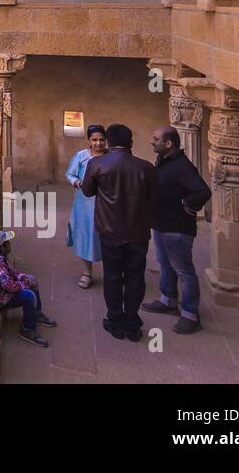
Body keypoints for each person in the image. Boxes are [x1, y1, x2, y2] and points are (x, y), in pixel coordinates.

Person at [80, 123, 155, 342]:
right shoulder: (146, 167)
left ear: (109, 143)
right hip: (138, 231)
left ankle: (115, 320)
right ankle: (132, 322)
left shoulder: (97, 164)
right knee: (135, 276)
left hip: (110, 229)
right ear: (131, 142)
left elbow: (87, 190)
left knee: (113, 276)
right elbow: (153, 197)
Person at [141, 126, 212, 335]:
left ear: (168, 143)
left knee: (184, 271)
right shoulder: (165, 161)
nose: (152, 142)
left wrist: (186, 204)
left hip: (177, 228)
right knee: (165, 265)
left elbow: (202, 191)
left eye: (156, 139)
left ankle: (190, 314)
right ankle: (168, 300)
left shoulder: (182, 166)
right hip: (162, 225)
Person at [0, 228, 56, 347]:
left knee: (32, 279)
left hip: (5, 291)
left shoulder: (0, 257)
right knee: (29, 295)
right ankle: (28, 329)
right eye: (7, 243)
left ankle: (36, 313)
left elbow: (13, 272)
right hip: (0, 299)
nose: (10, 244)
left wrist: (23, 277)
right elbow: (10, 286)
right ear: (2, 247)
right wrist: (26, 284)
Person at [66, 124, 107, 288]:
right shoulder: (81, 156)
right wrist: (77, 182)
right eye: (94, 140)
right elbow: (70, 174)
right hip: (84, 204)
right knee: (85, 236)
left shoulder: (110, 157)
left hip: (106, 204)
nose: (98, 143)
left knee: (106, 238)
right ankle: (87, 274)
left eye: (102, 140)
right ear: (89, 141)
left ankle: (113, 274)